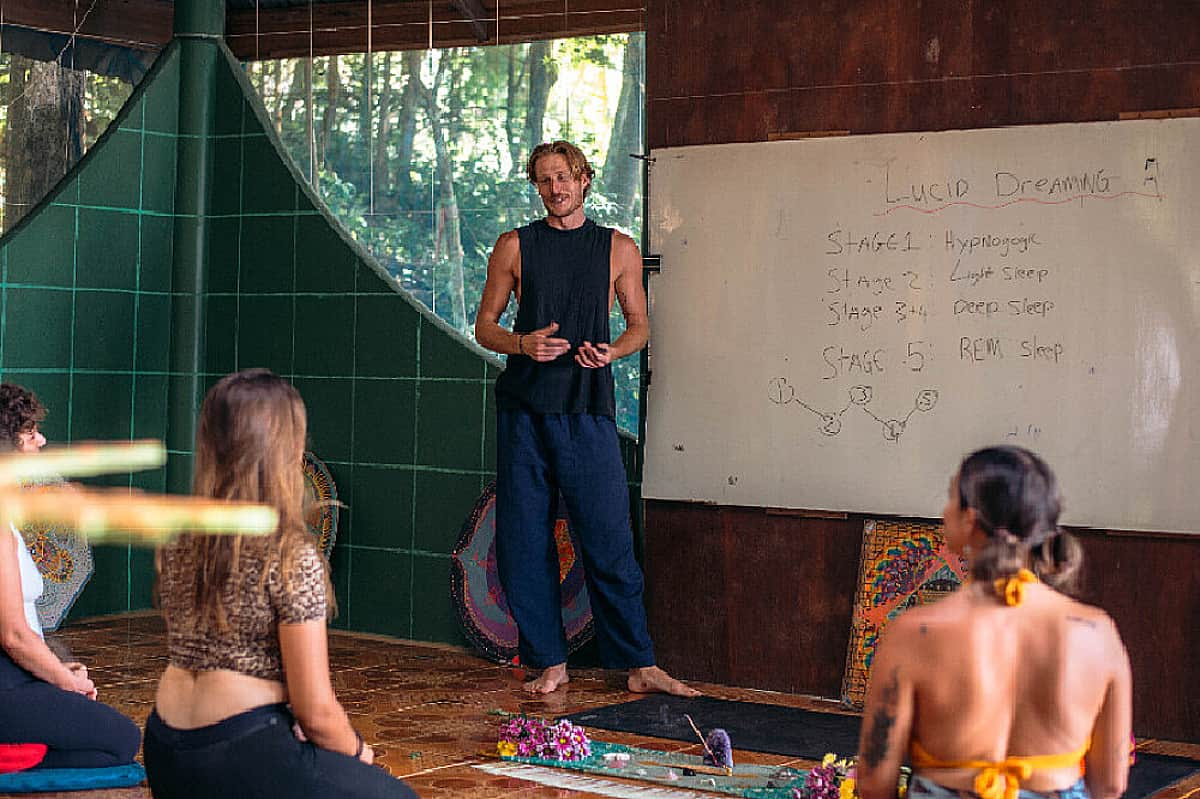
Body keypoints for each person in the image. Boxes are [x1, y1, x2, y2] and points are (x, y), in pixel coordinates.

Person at [474, 140, 697, 697]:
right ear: (537, 186)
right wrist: (522, 343)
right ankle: (550, 661)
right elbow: (485, 327)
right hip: (524, 412)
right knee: (524, 541)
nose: (556, 188)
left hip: (587, 410)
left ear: (583, 180)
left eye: (564, 177)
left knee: (608, 539)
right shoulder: (514, 246)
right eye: (545, 180)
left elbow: (640, 325)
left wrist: (614, 352)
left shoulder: (618, 249)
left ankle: (639, 664)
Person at [143, 369, 417, 799]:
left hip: (164, 747)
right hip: (239, 750)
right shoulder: (291, 555)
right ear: (289, 450)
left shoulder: (181, 540)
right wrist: (358, 752)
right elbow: (317, 712)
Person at [856, 446, 1132, 799]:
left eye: (950, 498)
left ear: (970, 518)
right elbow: (1110, 784)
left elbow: (875, 783)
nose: (944, 511)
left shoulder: (914, 634)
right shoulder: (1098, 633)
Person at [0, 382, 142, 769]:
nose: (41, 441)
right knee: (122, 741)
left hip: (16, 672)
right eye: (30, 434)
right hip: (6, 680)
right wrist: (66, 683)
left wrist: (54, 669)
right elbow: (12, 636)